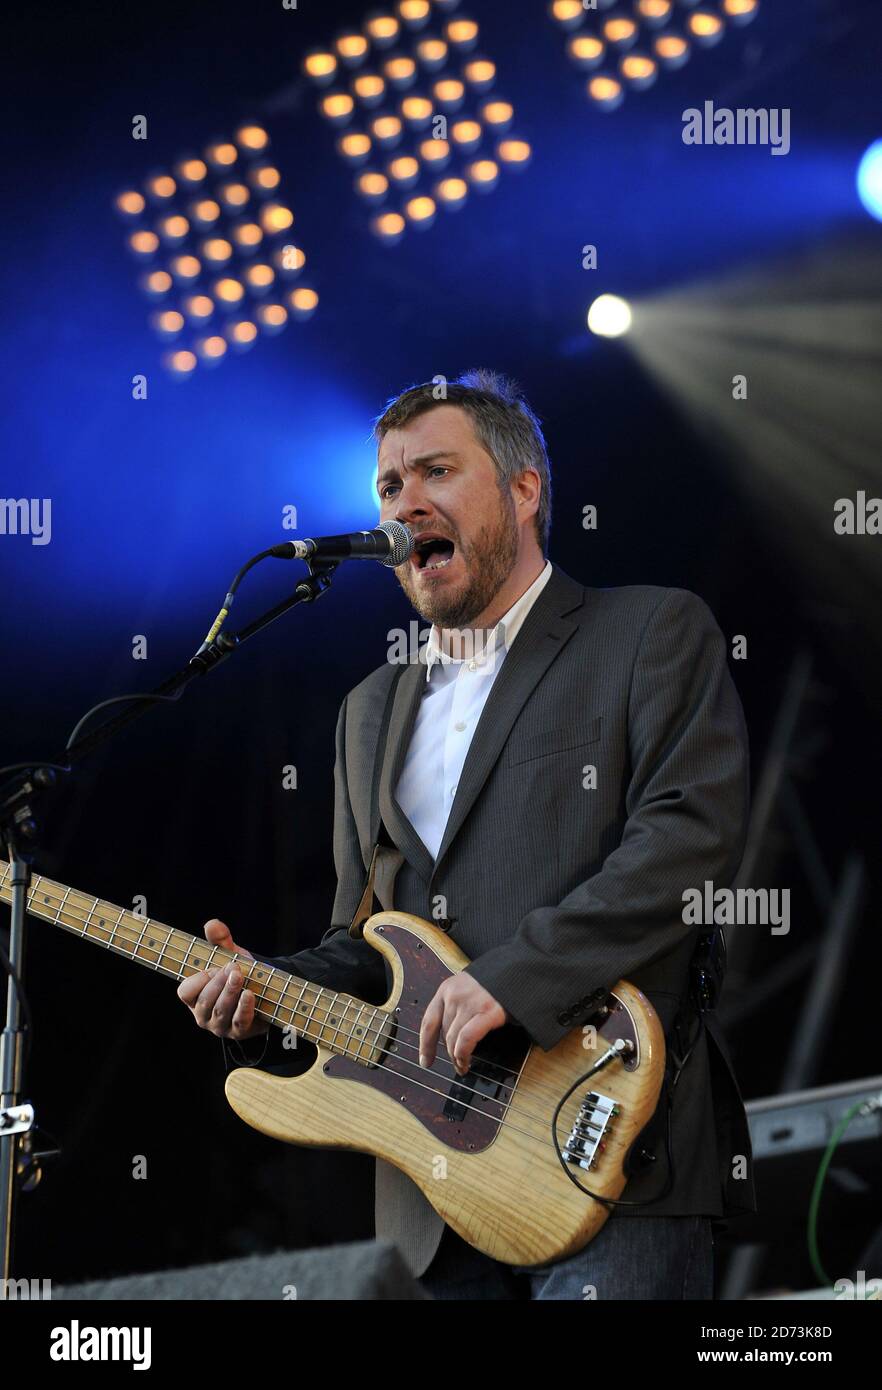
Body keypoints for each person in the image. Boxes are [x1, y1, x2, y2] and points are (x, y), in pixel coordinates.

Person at [178, 369, 756, 1299]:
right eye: (389, 488)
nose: (406, 506)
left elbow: (686, 841)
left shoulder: (647, 629)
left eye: (435, 472)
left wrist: (511, 981)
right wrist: (262, 991)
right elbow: (362, 939)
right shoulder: (367, 711)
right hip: (429, 1194)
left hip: (604, 1144)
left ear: (525, 490)